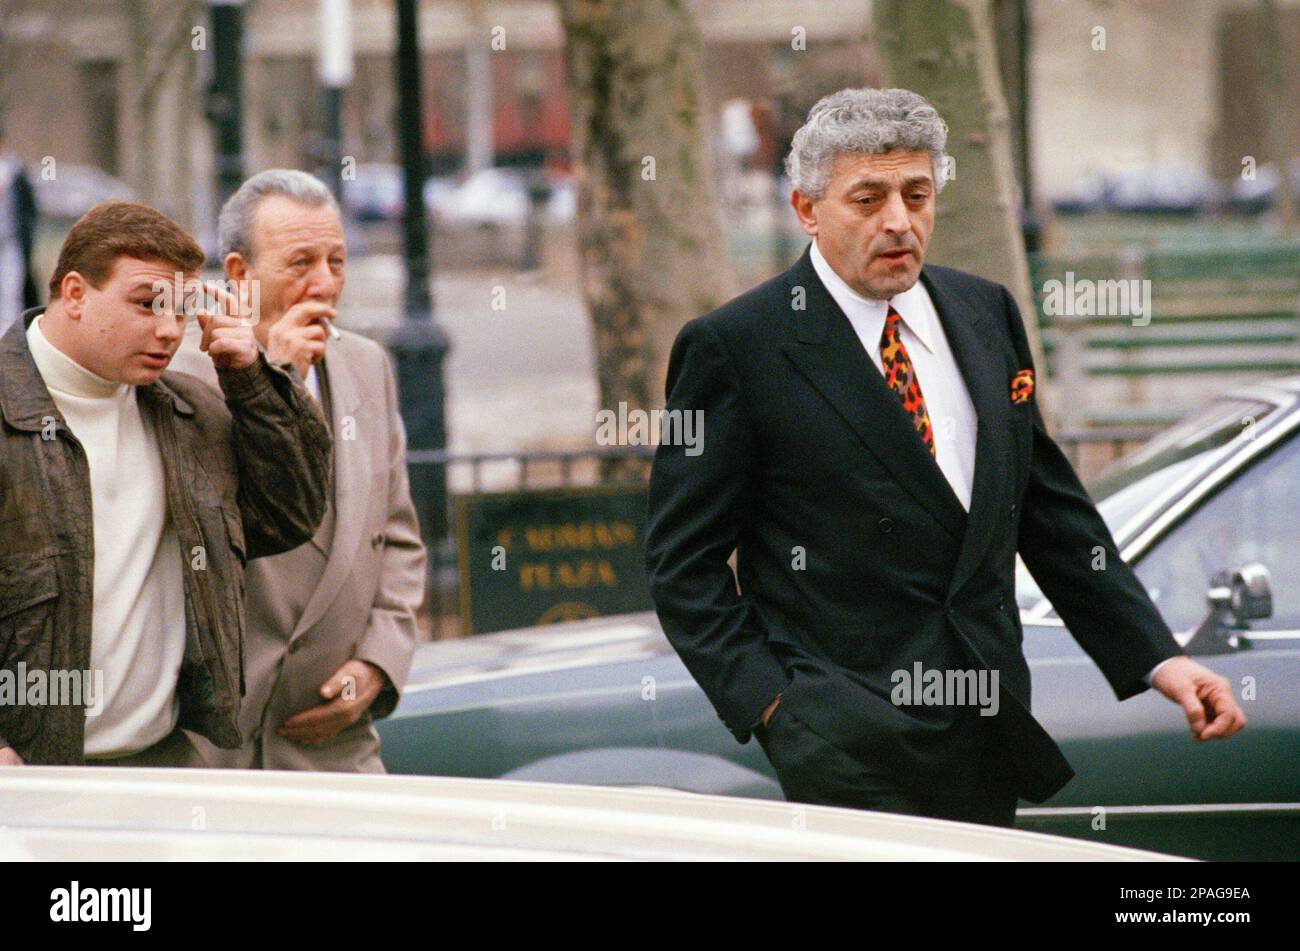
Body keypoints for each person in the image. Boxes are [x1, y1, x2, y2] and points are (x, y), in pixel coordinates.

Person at [643, 88, 1246, 826]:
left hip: (988, 726)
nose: (898, 220)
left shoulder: (985, 311)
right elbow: (682, 562)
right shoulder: (734, 347)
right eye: (867, 198)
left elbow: (1049, 510)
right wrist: (777, 706)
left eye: (916, 193)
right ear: (807, 209)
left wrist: (1159, 657)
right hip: (842, 746)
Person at [0, 200, 332, 767]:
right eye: (147, 304)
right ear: (75, 294)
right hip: (30, 777)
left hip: (166, 761)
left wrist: (249, 380)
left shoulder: (188, 410)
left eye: (181, 309)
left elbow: (287, 517)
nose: (169, 330)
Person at [169, 170, 424, 772]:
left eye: (337, 260)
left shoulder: (366, 365)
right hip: (211, 755)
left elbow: (398, 537)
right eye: (301, 262)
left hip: (337, 751)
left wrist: (376, 668)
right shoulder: (178, 376)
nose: (325, 283)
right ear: (239, 275)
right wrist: (271, 379)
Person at [0, 122, 39, 337]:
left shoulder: (14, 171)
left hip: (10, 240)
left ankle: (7, 335)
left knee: (11, 292)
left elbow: (28, 208)